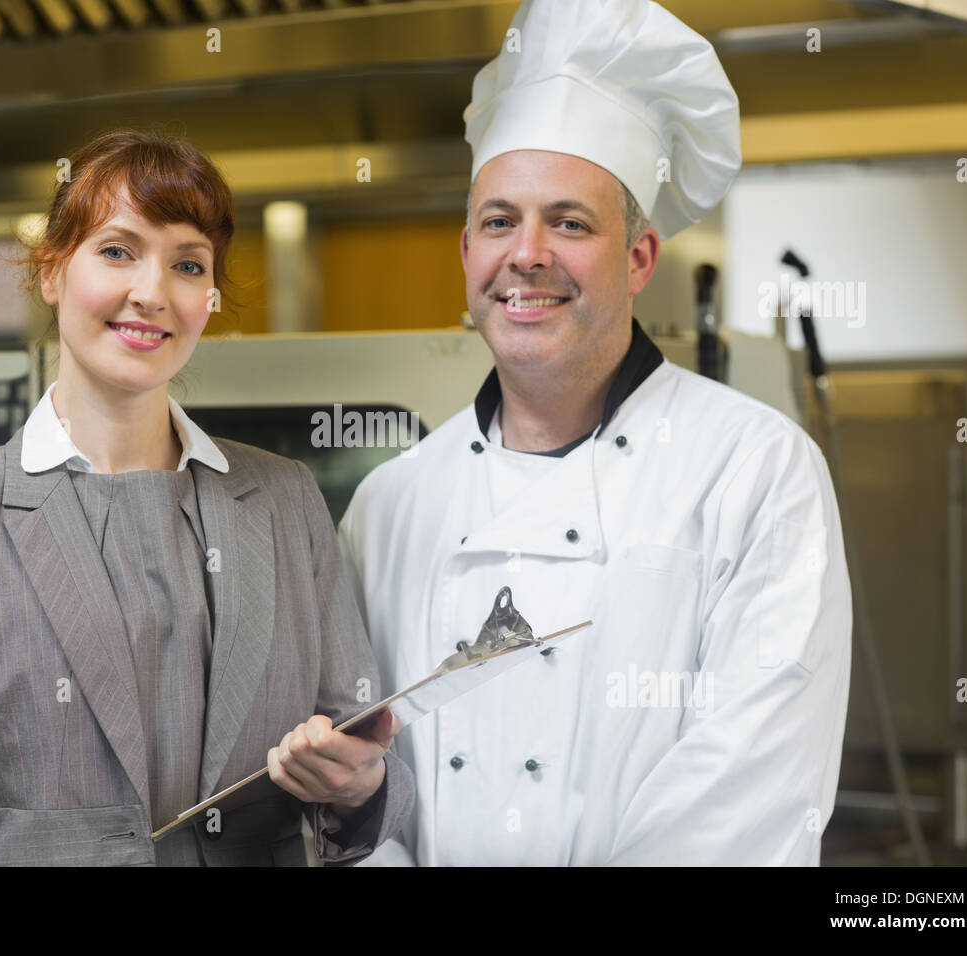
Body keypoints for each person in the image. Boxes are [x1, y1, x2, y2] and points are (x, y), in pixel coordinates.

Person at [340, 0, 852, 865]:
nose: (527, 254)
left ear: (640, 258)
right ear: (467, 253)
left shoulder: (756, 472)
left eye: (569, 223)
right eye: (500, 221)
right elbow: (360, 784)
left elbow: (746, 802)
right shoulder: (389, 503)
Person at [0, 127, 413, 866]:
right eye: (118, 250)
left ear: (210, 297)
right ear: (53, 271)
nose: (153, 293)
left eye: (188, 264)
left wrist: (359, 782)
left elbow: (369, 767)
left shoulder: (286, 501)